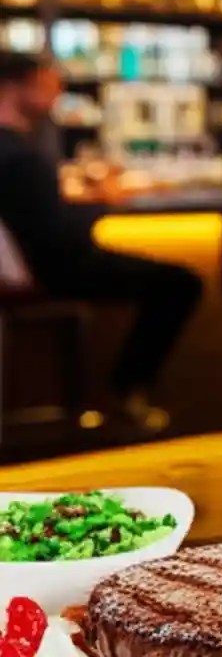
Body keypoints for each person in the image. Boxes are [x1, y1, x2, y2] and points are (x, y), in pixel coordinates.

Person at [0, 52, 203, 427]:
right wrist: (103, 204)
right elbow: (58, 240)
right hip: (51, 270)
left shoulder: (16, 151)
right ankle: (128, 394)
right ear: (16, 87)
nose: (58, 92)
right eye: (48, 83)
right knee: (181, 284)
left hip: (27, 268)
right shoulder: (20, 157)